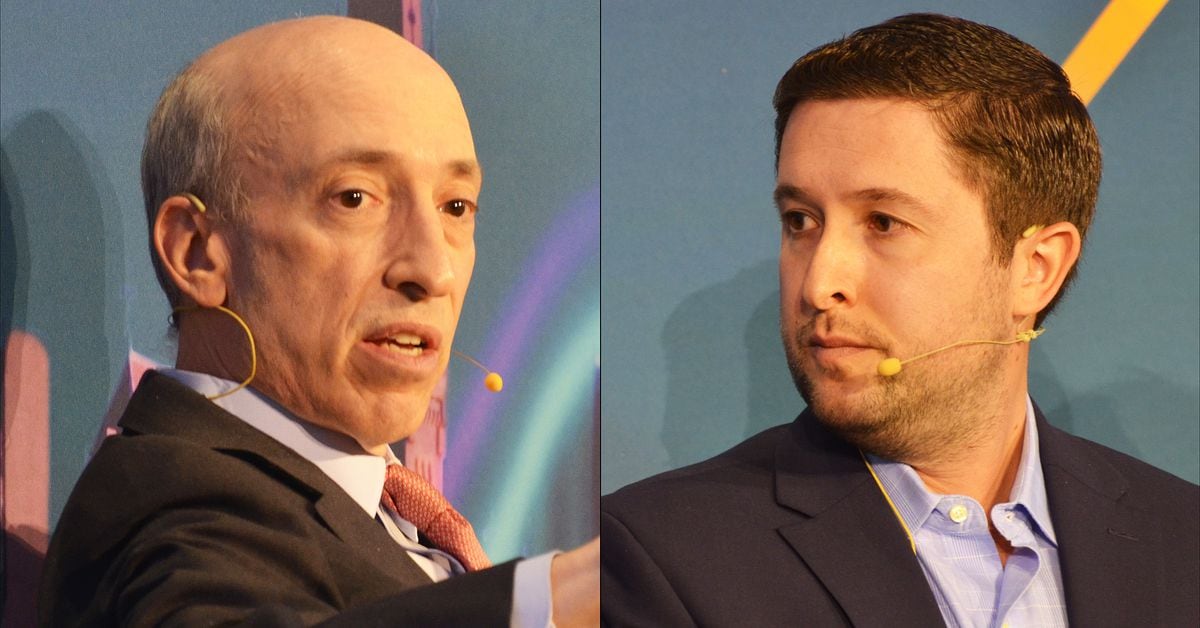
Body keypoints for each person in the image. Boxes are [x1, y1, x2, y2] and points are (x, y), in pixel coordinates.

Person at [601, 13, 1198, 627]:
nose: (819, 284)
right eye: (801, 221)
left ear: (1034, 269)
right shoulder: (659, 557)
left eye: (883, 223)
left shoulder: (1183, 543)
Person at [38, 16, 598, 627]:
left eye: (455, 206)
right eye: (354, 198)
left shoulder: (381, 510)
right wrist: (552, 601)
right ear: (197, 252)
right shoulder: (169, 505)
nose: (433, 268)